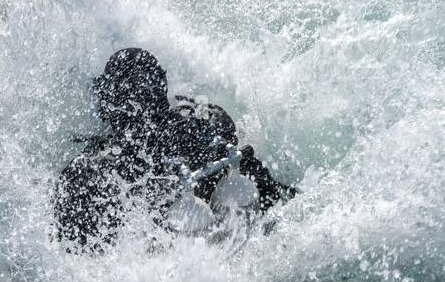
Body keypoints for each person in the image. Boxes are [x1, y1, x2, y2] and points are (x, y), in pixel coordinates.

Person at [53, 48, 297, 251]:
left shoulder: (91, 169)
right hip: (232, 235)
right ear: (162, 88)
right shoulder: (199, 129)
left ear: (108, 105)